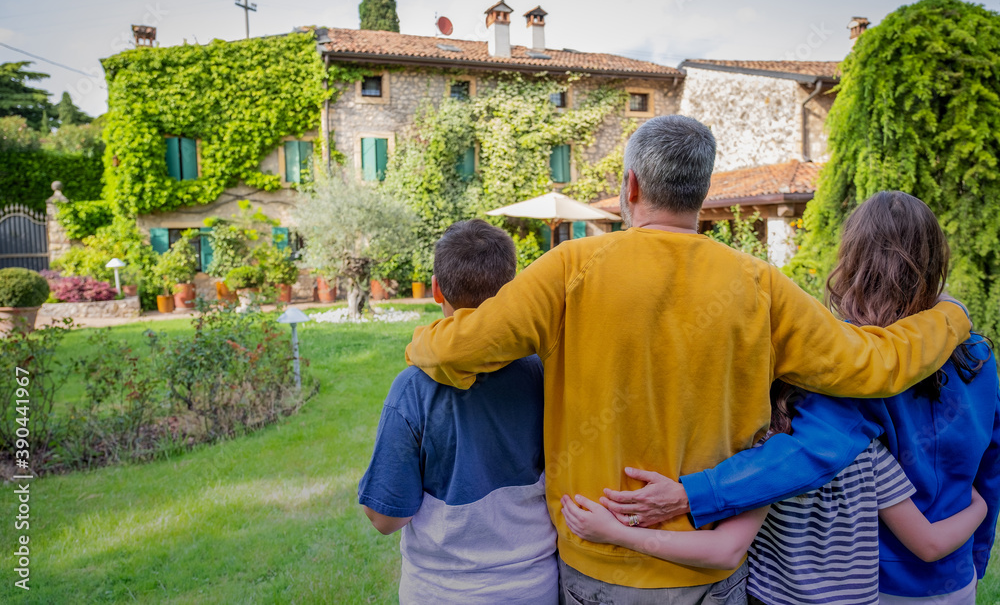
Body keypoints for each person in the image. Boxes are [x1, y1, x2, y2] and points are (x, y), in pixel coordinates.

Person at [405, 116, 972, 602]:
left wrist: (419, 345)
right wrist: (950, 317)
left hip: (600, 556)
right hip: (713, 562)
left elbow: (461, 347)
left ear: (630, 186)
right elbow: (872, 366)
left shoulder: (567, 268)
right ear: (701, 194)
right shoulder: (759, 285)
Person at [599, 191, 999, 603]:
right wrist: (978, 554)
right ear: (935, 262)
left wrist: (692, 494)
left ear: (854, 261)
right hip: (955, 573)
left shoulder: (852, 359)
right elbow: (989, 468)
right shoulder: (980, 359)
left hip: (884, 582)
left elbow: (807, 454)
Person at [357, 219, 556, 605]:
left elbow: (386, 518)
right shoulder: (545, 371)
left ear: (435, 289)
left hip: (441, 591)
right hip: (535, 586)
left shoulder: (412, 389)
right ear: (512, 290)